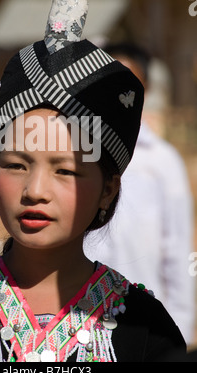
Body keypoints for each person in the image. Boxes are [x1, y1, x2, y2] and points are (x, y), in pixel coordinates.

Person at [0, 0, 186, 362]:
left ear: (107, 189)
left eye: (64, 170)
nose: (34, 191)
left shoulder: (146, 330)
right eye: (16, 165)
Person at [83, 43, 195, 345]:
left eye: (127, 79)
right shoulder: (76, 154)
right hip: (80, 319)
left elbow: (177, 248)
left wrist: (178, 331)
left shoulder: (163, 160)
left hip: (141, 325)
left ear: (144, 86)